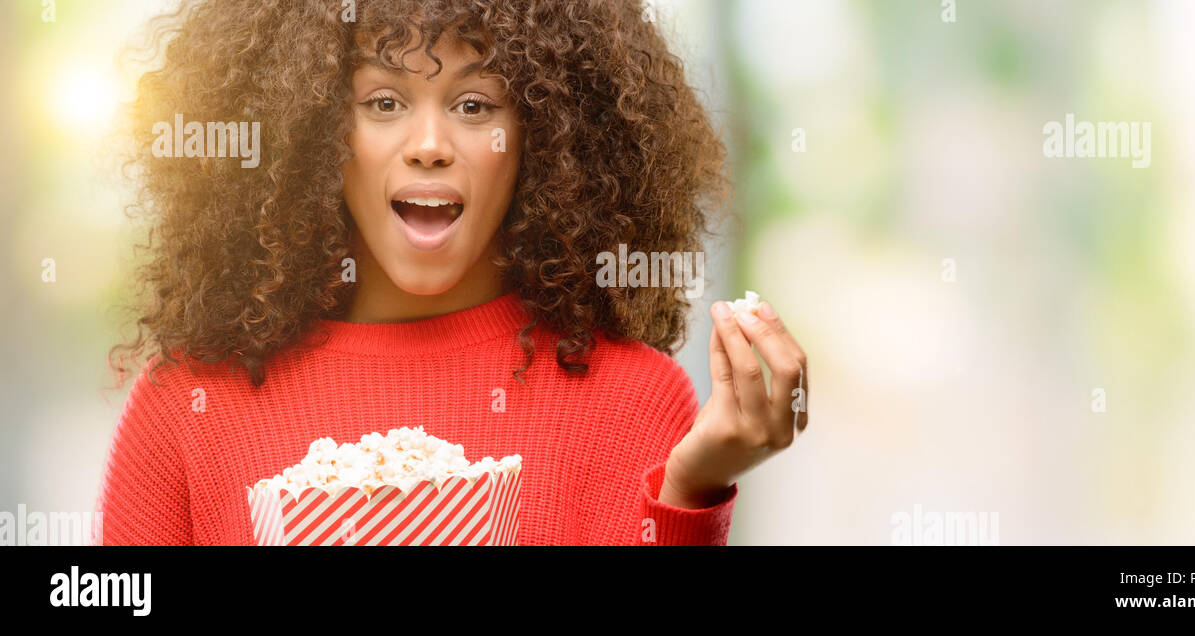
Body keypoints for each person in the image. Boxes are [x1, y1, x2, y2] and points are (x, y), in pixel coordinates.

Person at [96, 0, 809, 545]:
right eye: (383, 104)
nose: (430, 145)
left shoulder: (635, 400)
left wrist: (691, 490)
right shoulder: (186, 405)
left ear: (548, 133)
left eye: (475, 105)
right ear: (312, 131)